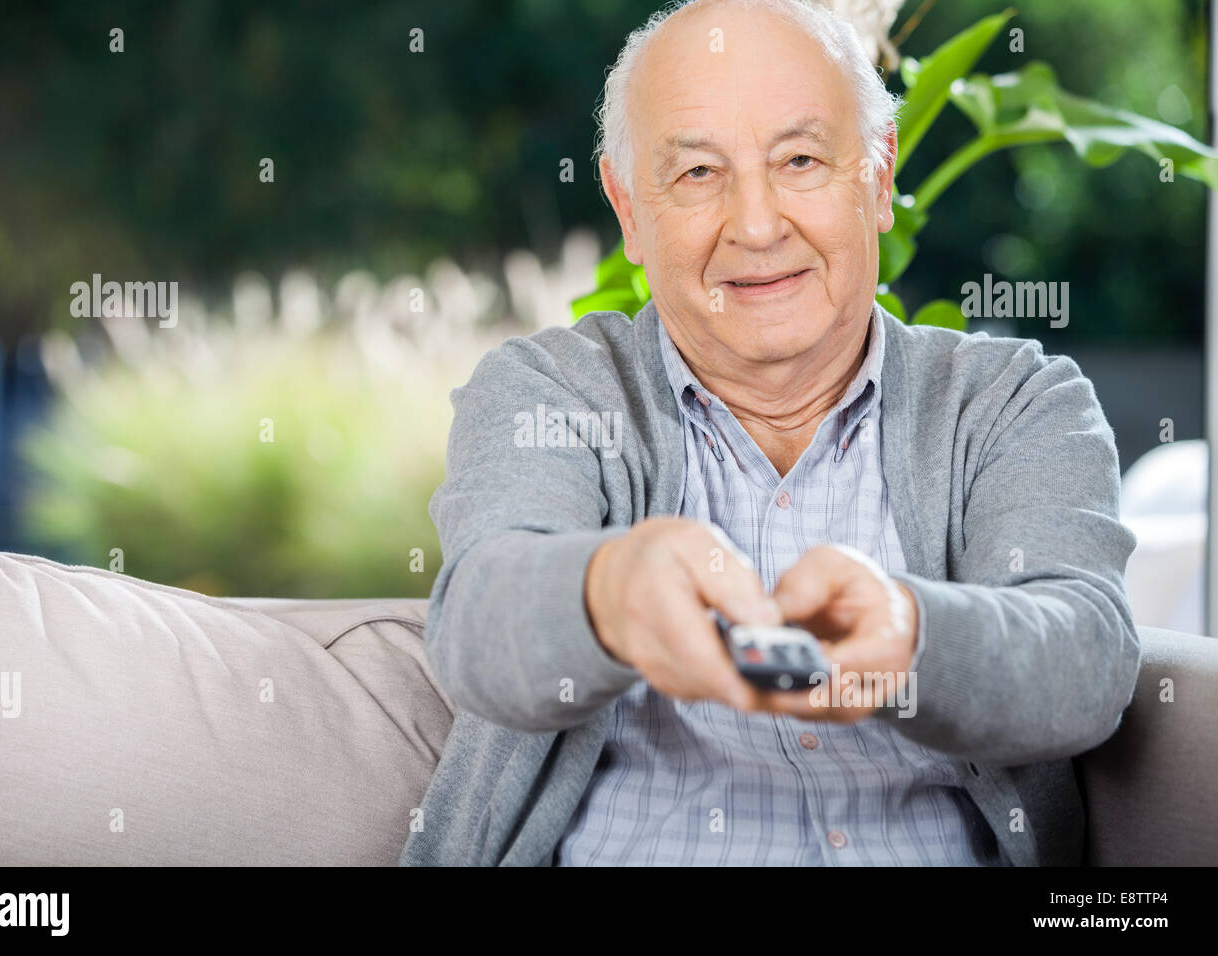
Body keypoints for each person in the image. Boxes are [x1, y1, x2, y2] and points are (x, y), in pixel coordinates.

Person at [399, 0, 1140, 866]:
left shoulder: (1014, 404)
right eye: (699, 174)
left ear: (878, 177)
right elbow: (477, 626)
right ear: (629, 210)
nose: (756, 225)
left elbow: (1084, 663)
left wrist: (908, 636)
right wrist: (611, 590)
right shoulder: (551, 390)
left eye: (799, 159)